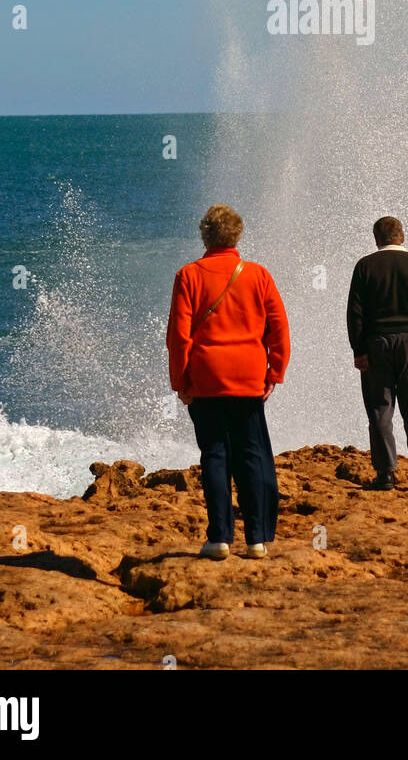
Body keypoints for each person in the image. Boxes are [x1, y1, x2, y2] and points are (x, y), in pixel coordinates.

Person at [166, 204, 290, 559]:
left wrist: (181, 382)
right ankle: (257, 538)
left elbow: (179, 336)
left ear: (205, 235)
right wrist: (275, 373)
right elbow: (278, 328)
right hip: (248, 377)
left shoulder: (188, 275)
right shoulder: (257, 275)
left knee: (215, 455)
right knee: (253, 455)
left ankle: (219, 537)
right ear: (237, 235)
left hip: (206, 378)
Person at [347, 216, 408, 491]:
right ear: (402, 236)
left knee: (380, 408)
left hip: (377, 345)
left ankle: (385, 473)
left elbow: (355, 314)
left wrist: (359, 349)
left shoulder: (365, 266)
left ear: (377, 239)